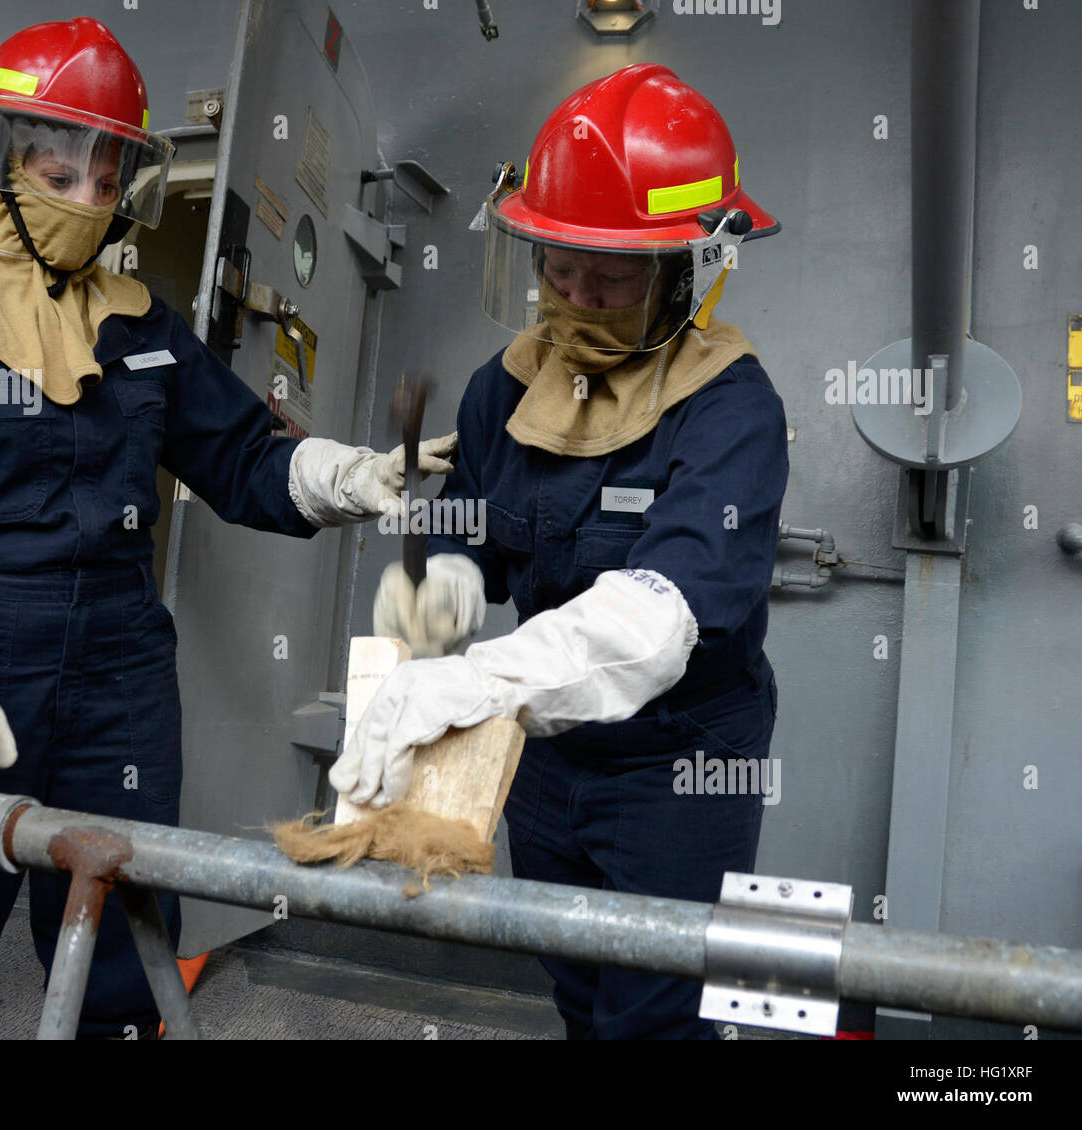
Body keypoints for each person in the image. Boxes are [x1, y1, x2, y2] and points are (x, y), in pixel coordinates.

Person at [0, 17, 452, 1040]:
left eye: (107, 178)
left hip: (119, 662)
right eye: (57, 173)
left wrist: (349, 475)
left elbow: (242, 456)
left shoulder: (142, 323)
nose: (86, 199)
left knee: (123, 931)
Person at [334, 64, 788, 1040]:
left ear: (687, 269)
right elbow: (472, 524)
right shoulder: (505, 387)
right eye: (556, 266)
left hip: (679, 763)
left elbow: (657, 617)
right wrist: (448, 584)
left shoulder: (731, 408)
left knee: (656, 1013)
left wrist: (481, 681)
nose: (576, 297)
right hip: (545, 749)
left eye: (612, 276)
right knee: (574, 989)